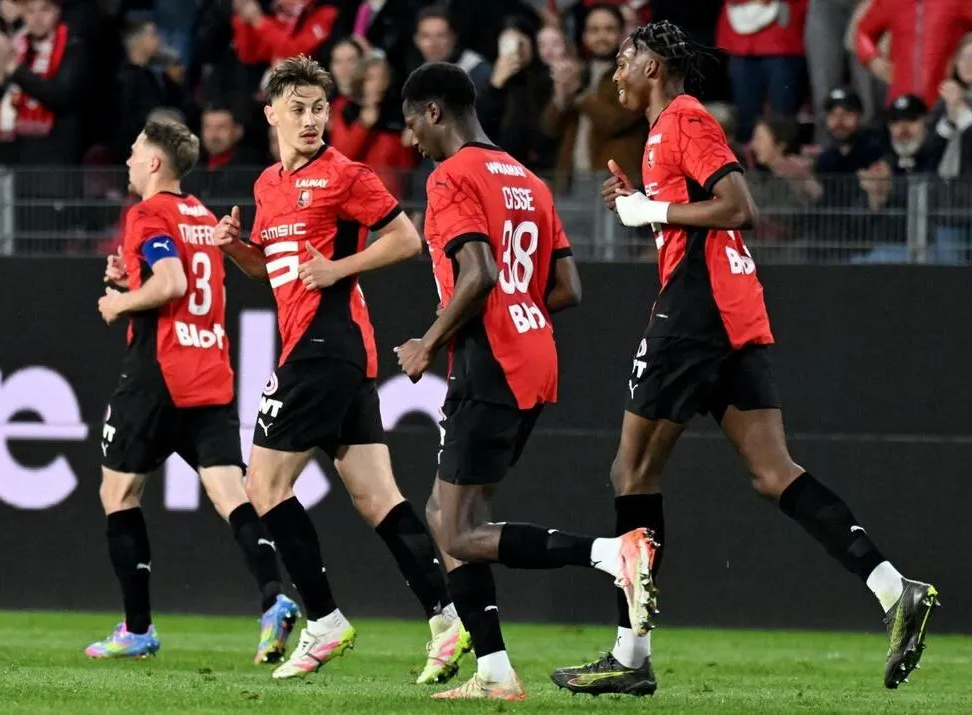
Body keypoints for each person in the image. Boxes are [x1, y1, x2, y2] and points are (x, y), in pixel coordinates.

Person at [549, 20, 940, 697]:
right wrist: (645, 206)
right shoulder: (661, 131)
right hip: (731, 308)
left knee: (630, 470)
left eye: (625, 55)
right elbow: (692, 206)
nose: (615, 68)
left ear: (657, 63)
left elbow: (738, 204)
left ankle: (631, 654)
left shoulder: (684, 118)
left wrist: (655, 212)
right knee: (772, 471)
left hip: (698, 309)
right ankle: (892, 586)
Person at [397, 61, 657, 701]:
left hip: (489, 359)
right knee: (448, 512)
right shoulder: (528, 180)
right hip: (534, 354)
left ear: (435, 112)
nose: (411, 142)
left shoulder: (451, 176)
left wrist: (427, 342)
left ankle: (610, 555)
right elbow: (568, 287)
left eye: (412, 125)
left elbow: (479, 273)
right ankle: (493, 673)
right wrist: (519, 304)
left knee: (455, 530)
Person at [210, 55, 466, 685]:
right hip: (332, 352)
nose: (311, 119)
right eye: (297, 108)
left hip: (325, 346)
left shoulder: (344, 175)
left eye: (320, 108)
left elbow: (408, 239)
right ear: (270, 113)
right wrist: (237, 248)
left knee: (264, 486)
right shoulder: (269, 186)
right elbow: (273, 274)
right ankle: (448, 618)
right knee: (378, 498)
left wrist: (337, 270)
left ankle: (323, 622)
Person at [87, 119, 301, 664]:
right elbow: (175, 283)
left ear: (156, 162)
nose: (130, 161)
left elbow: (172, 284)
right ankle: (274, 598)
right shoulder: (202, 218)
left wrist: (118, 302)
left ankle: (137, 630)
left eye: (135, 152)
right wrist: (132, 283)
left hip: (158, 372)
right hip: (211, 370)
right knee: (232, 494)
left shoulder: (147, 213)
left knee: (119, 494)